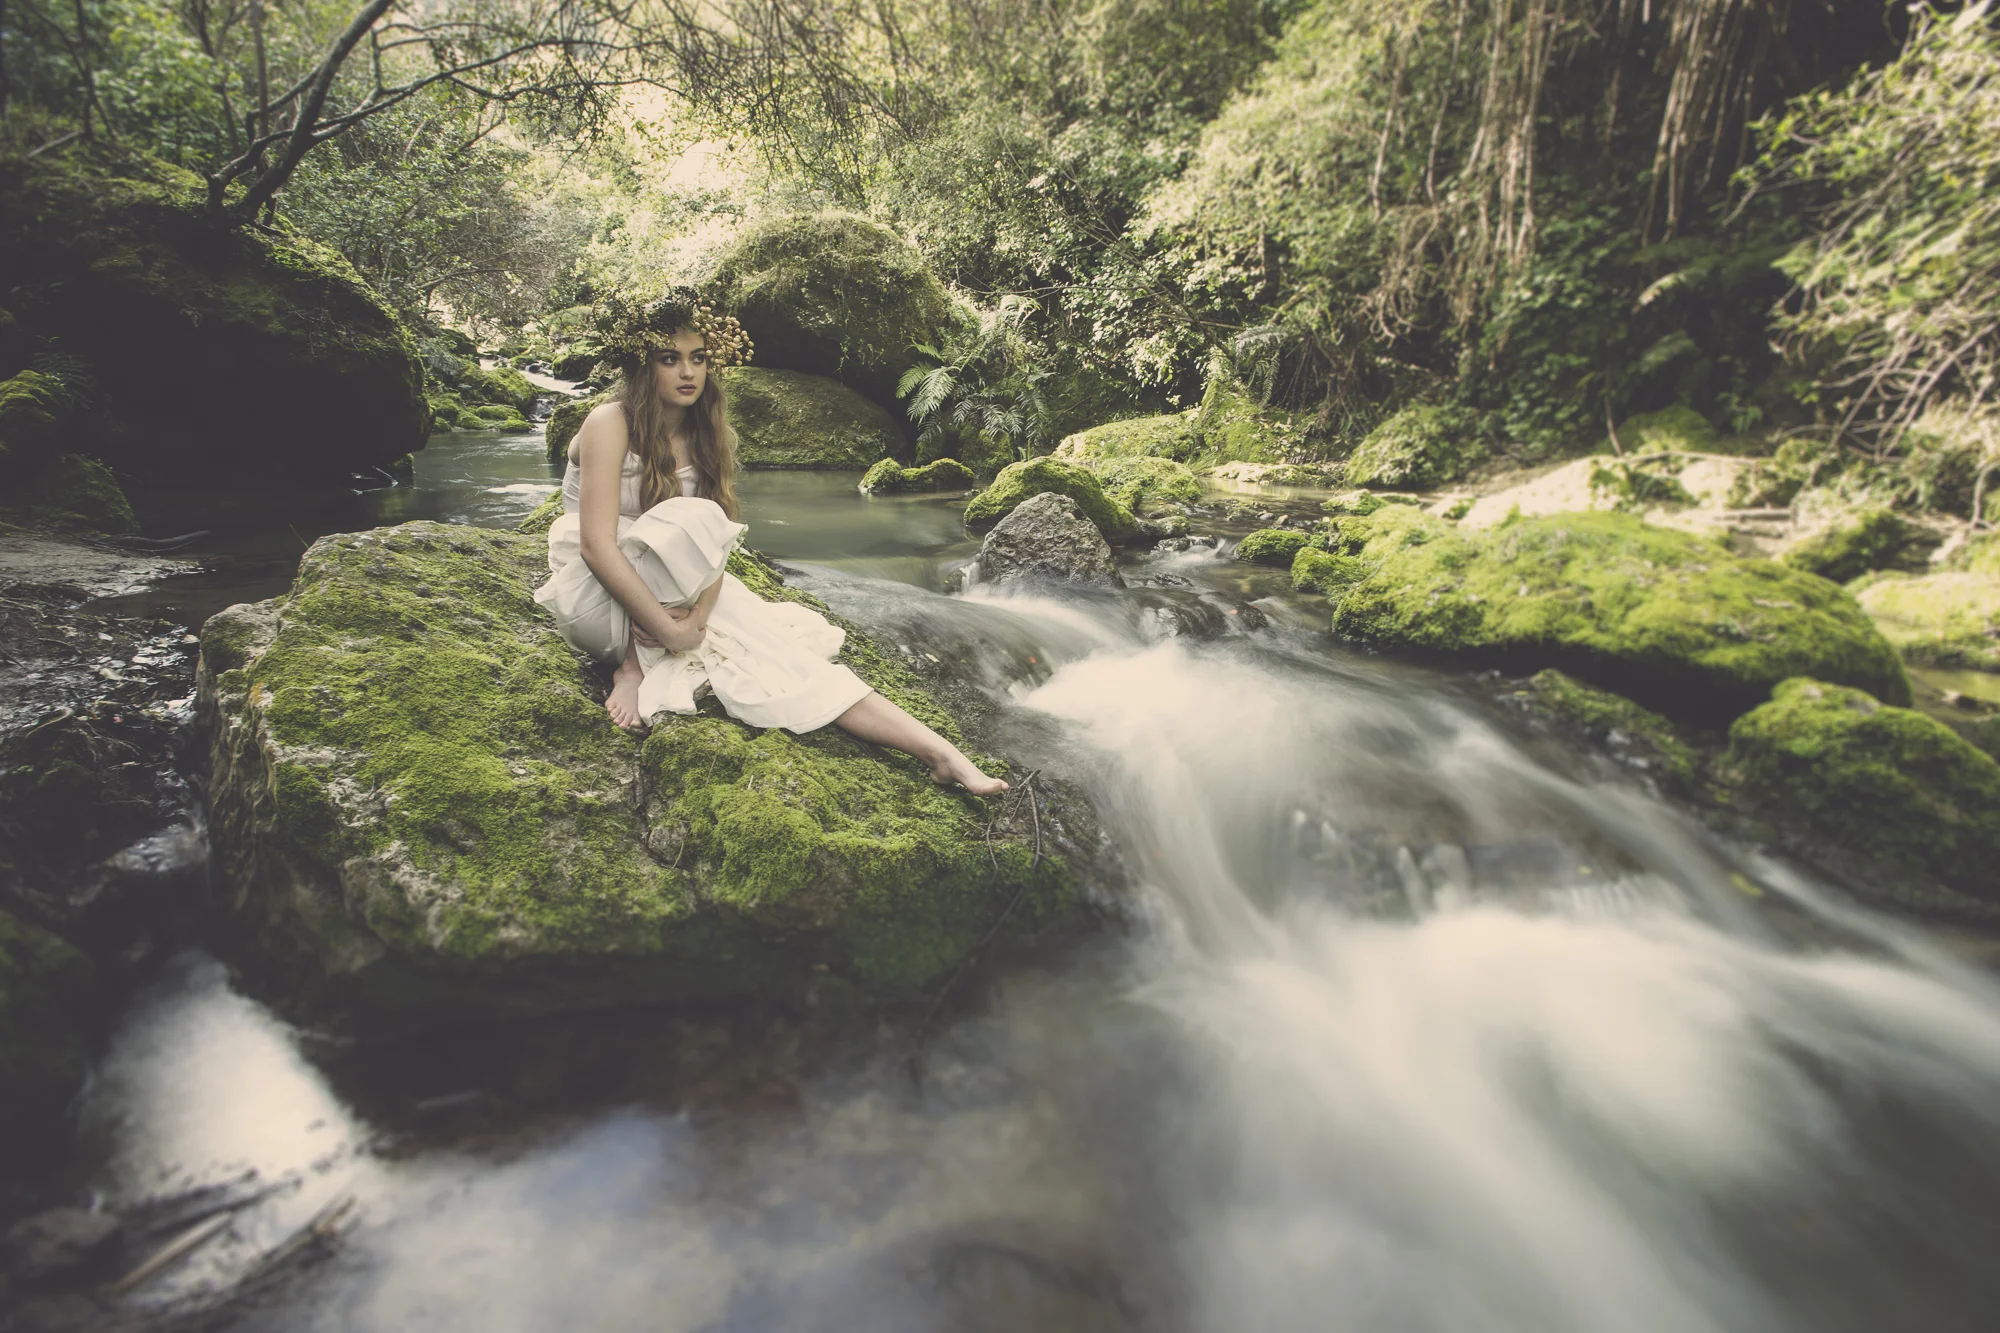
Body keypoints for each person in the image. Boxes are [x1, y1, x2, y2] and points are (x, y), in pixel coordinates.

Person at [534, 292, 1007, 796]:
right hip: (597, 601)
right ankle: (631, 666)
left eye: (698, 358)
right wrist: (670, 633)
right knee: (688, 523)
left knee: (781, 656)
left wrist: (698, 619)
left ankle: (941, 754)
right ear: (642, 367)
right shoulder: (609, 422)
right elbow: (596, 547)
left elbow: (716, 546)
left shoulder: (708, 434)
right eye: (669, 359)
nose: (688, 372)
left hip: (672, 589)